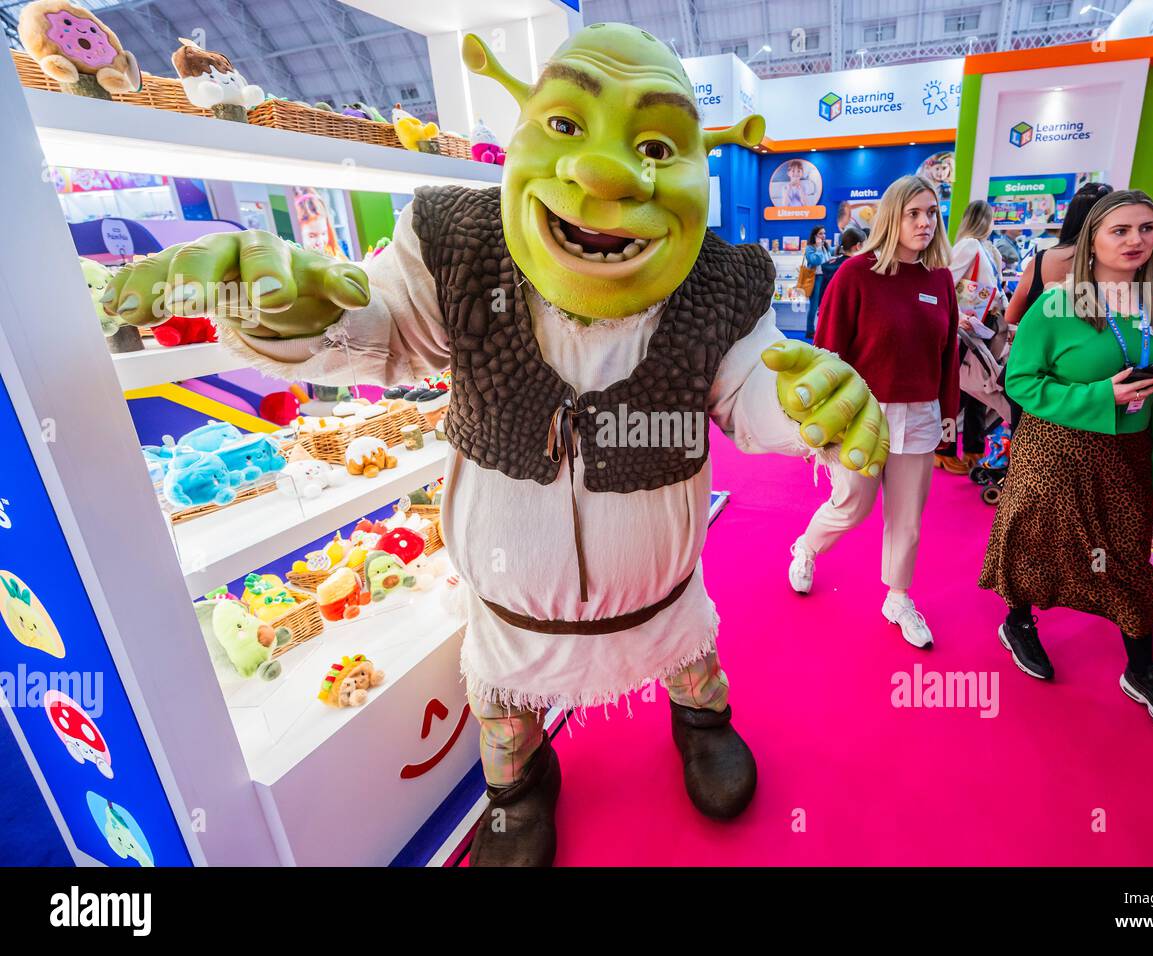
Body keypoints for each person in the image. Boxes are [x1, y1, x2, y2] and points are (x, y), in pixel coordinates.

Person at [103, 24, 891, 867]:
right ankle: (516, 784)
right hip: (509, 611)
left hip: (665, 601)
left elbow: (749, 385)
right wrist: (298, 308)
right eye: (565, 126)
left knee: (689, 655)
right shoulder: (460, 244)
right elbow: (381, 323)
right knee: (503, 704)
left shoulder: (717, 279)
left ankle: (701, 718)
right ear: (521, 131)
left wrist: (810, 402)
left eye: (656, 144)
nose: (605, 174)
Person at [979, 189, 1153, 734]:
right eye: (1119, 230)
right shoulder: (1057, 304)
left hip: (1127, 453)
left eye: (1146, 228)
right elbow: (1020, 381)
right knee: (1035, 539)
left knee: (1125, 558)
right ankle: (1018, 621)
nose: (1135, 240)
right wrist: (1101, 397)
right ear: (1092, 240)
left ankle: (1142, 671)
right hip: (1056, 446)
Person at [787, 175, 960, 650]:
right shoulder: (855, 274)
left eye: (932, 213)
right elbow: (827, 353)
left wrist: (949, 413)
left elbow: (949, 354)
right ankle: (806, 547)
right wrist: (820, 421)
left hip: (921, 413)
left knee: (908, 518)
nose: (926, 223)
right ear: (891, 217)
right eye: (914, 214)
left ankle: (898, 597)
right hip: (863, 413)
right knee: (853, 504)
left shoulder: (940, 279)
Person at [1002, 182, 1113, 432]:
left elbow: (1012, 315)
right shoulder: (1113, 270)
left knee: (1029, 451)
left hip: (1036, 379)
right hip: (1091, 383)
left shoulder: (1042, 260)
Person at [936, 200, 1006, 474]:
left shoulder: (983, 248)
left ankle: (974, 448)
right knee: (960, 392)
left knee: (979, 389)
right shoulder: (968, 246)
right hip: (967, 329)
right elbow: (945, 280)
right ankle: (944, 448)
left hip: (982, 326)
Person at [802, 225, 832, 338]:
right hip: (815, 278)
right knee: (814, 306)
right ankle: (810, 330)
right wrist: (818, 247)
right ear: (815, 235)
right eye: (820, 233)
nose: (823, 236)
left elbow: (827, 260)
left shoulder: (826, 247)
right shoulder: (810, 248)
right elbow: (815, 261)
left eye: (824, 233)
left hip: (826, 278)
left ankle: (823, 329)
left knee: (824, 305)